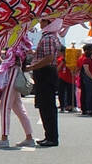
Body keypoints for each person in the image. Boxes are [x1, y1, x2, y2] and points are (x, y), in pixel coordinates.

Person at [0, 33, 36, 148]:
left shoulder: (17, 40)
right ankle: (29, 137)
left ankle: (4, 138)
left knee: (5, 106)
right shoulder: (19, 40)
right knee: (18, 107)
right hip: (14, 70)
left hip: (12, 71)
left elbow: (11, 60)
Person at [25, 18, 64, 146]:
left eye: (43, 21)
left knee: (47, 106)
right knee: (46, 105)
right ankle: (50, 136)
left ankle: (51, 137)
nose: (40, 23)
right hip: (47, 72)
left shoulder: (48, 38)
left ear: (48, 23)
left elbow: (49, 58)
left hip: (45, 72)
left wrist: (32, 67)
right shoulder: (52, 37)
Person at [77, 44, 92, 117]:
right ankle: (89, 109)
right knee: (89, 94)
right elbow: (86, 70)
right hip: (89, 79)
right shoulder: (86, 59)